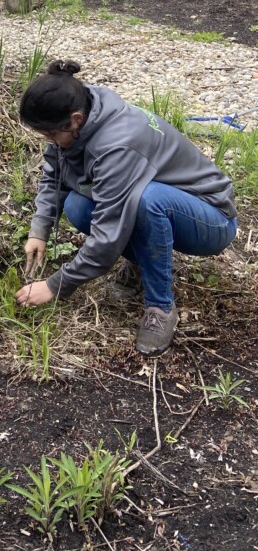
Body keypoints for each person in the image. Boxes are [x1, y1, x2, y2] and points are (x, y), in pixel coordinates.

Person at [14, 59, 237, 355]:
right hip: (167, 203)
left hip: (211, 218)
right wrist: (40, 229)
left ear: (76, 120)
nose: (50, 142)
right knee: (78, 204)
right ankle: (143, 262)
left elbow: (108, 233)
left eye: (52, 135)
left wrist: (55, 285)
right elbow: (55, 173)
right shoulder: (75, 108)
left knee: (147, 200)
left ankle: (160, 307)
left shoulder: (117, 145)